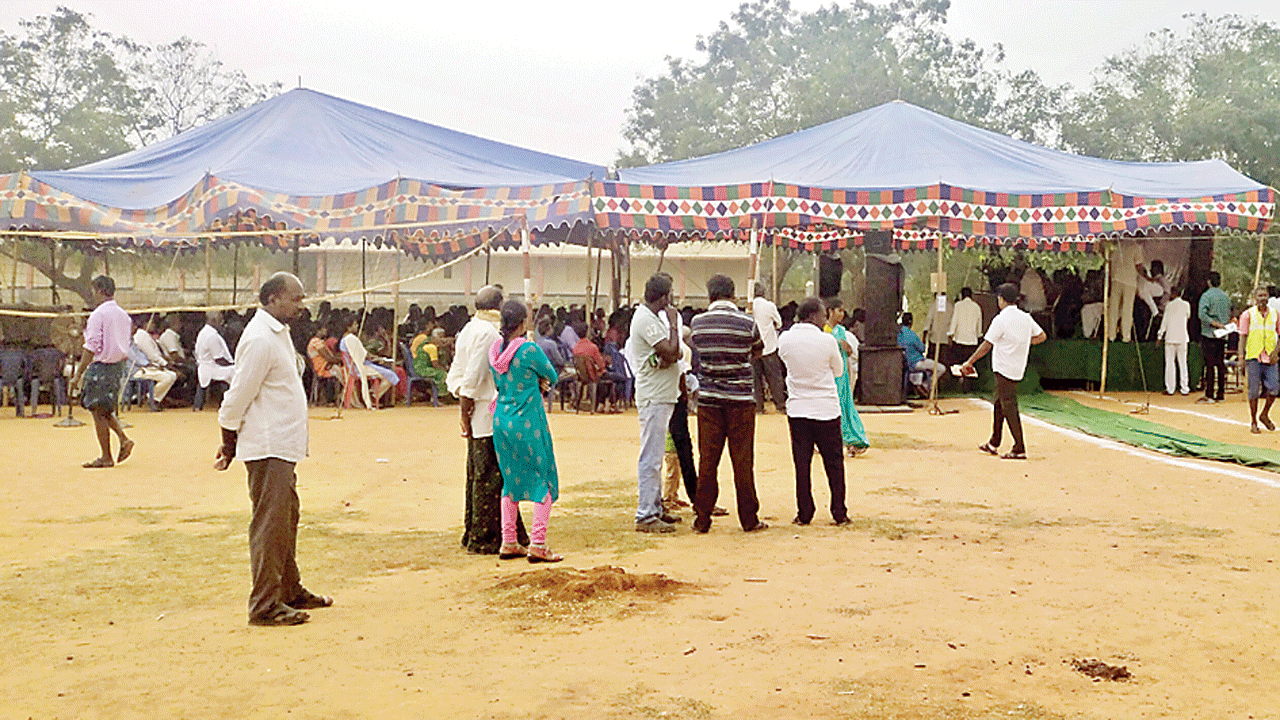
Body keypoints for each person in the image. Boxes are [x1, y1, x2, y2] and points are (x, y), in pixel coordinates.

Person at [215, 272, 332, 627]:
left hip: (282, 443)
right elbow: (237, 397)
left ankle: (289, 589)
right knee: (270, 523)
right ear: (271, 299)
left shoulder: (277, 334)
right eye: (294, 299)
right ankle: (265, 604)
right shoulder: (259, 339)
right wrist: (228, 440)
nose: (301, 305)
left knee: (286, 518)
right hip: (267, 445)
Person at [446, 285, 529, 555]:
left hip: (476, 406)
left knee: (481, 473)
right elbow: (473, 377)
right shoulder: (488, 333)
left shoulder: (470, 329)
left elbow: (457, 374)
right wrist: (464, 413)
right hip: (484, 408)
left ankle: (483, 530)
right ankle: (485, 536)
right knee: (490, 475)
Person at [689, 274, 768, 534]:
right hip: (741, 400)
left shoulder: (698, 323)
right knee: (742, 461)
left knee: (708, 461)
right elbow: (758, 350)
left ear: (710, 295)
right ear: (733, 295)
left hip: (709, 400)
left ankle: (702, 519)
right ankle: (749, 518)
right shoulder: (747, 322)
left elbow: (697, 350)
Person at [489, 300, 564, 563]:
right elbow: (552, 375)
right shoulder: (529, 350)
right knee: (542, 478)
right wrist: (539, 381)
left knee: (510, 483)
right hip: (528, 420)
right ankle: (538, 543)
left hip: (501, 420)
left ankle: (509, 540)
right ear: (522, 323)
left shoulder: (494, 350)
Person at [778, 297, 851, 527]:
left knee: (802, 464)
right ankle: (839, 512)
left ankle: (805, 512)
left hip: (798, 409)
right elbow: (839, 371)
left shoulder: (785, 339)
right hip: (826, 409)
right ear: (813, 316)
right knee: (834, 464)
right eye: (822, 315)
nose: (824, 320)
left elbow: (784, 362)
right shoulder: (827, 341)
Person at [960, 283, 1047, 460]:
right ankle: (994, 441)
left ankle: (1019, 446)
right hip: (1017, 365)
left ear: (1001, 299)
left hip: (1003, 366)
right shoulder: (1025, 318)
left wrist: (970, 361)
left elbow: (987, 344)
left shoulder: (1000, 319)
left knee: (1008, 405)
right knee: (999, 403)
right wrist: (1022, 342)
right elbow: (1041, 336)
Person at [630, 273, 684, 533]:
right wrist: (674, 325)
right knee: (651, 456)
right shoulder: (646, 320)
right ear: (664, 296)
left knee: (656, 454)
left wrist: (670, 353)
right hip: (654, 395)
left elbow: (675, 353)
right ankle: (646, 514)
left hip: (662, 393)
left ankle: (655, 507)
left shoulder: (650, 319)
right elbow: (672, 351)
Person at [70, 275, 135, 468]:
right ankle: (123, 438)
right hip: (118, 366)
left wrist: (78, 374)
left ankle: (106, 456)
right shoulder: (124, 315)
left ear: (99, 291)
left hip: (102, 366)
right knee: (105, 407)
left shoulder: (98, 315)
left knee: (97, 410)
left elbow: (91, 347)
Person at [824, 299, 869, 455]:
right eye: (839, 310)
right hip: (829, 375)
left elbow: (848, 354)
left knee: (846, 406)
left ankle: (854, 439)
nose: (842, 314)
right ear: (830, 311)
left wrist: (847, 350)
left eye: (843, 311)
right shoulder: (824, 330)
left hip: (842, 375)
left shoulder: (842, 331)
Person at [1238, 286, 1279, 434]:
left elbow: (1279, 335)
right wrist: (1241, 357)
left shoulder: (1275, 314)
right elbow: (1242, 337)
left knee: (1274, 388)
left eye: (1265, 295)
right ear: (1255, 298)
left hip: (1269, 357)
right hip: (1253, 357)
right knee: (1253, 391)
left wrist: (1276, 352)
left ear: (1268, 297)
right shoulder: (1247, 315)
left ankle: (1264, 414)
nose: (1262, 298)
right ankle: (1254, 421)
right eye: (1260, 295)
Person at [750, 280, 787, 414]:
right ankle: (780, 406)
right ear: (763, 293)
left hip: (753, 349)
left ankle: (758, 406)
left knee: (755, 379)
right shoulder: (769, 306)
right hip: (769, 347)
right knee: (774, 378)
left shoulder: (748, 307)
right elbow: (779, 322)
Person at [1198, 271, 1231, 404]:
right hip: (1222, 334)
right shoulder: (1225, 296)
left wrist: (1214, 323)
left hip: (1210, 333)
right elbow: (1230, 312)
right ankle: (1221, 394)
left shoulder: (1207, 296)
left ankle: (1210, 394)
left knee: (1210, 364)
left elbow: (1202, 314)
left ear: (1209, 282)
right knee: (1220, 364)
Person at [132, 314, 178, 405]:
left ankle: (157, 398)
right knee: (169, 377)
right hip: (141, 368)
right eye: (152, 323)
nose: (154, 325)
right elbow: (152, 356)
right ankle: (152, 397)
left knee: (172, 375)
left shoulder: (145, 335)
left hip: (149, 366)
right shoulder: (142, 336)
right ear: (146, 323)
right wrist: (165, 364)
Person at [1108, 238, 1148, 342]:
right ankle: (1126, 336)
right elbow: (1138, 264)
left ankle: (1111, 335)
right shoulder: (1135, 246)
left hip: (1115, 279)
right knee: (1127, 309)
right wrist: (1147, 277)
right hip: (1129, 281)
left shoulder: (1116, 245)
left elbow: (1110, 262)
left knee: (1113, 308)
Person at [1157, 287, 1192, 396]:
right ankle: (1185, 388)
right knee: (1183, 363)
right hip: (1182, 337)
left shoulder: (1169, 305)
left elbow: (1164, 322)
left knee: (1170, 364)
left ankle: (1170, 388)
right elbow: (1188, 316)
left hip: (1170, 337)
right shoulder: (1186, 305)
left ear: (1173, 294)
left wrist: (1159, 336)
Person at [948, 287, 983, 393]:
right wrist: (978, 334)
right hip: (972, 340)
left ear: (962, 295)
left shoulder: (958, 306)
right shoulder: (977, 307)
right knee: (969, 364)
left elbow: (954, 321)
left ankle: (958, 386)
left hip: (959, 339)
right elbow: (979, 324)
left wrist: (951, 333)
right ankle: (967, 387)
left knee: (958, 364)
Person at [896, 311, 938, 398]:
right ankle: (925, 386)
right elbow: (922, 348)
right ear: (911, 322)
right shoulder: (911, 335)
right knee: (940, 368)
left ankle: (920, 386)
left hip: (902, 362)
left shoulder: (897, 333)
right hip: (915, 362)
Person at [195, 310, 235, 393]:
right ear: (213, 320)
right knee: (236, 371)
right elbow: (219, 359)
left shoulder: (205, 332)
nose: (222, 323)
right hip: (212, 368)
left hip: (207, 366)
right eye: (220, 320)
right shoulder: (211, 335)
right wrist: (234, 364)